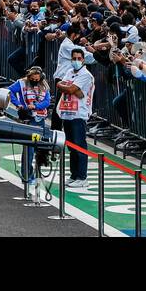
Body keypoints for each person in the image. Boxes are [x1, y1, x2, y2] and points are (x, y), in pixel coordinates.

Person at [8, 65, 52, 200]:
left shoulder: (44, 85)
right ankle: (27, 174)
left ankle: (35, 173)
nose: (35, 82)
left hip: (40, 119)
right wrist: (18, 104)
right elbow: (9, 91)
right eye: (32, 80)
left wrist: (36, 106)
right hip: (28, 119)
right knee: (28, 149)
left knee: (40, 149)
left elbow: (47, 101)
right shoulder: (21, 83)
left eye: (37, 79)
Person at [55, 46, 94, 190]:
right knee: (71, 146)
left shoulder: (86, 75)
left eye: (79, 58)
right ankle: (74, 175)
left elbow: (71, 89)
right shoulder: (70, 72)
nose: (76, 61)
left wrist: (68, 87)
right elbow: (59, 84)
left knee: (79, 145)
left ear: (83, 60)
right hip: (67, 113)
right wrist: (68, 87)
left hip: (79, 114)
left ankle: (82, 177)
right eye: (74, 58)